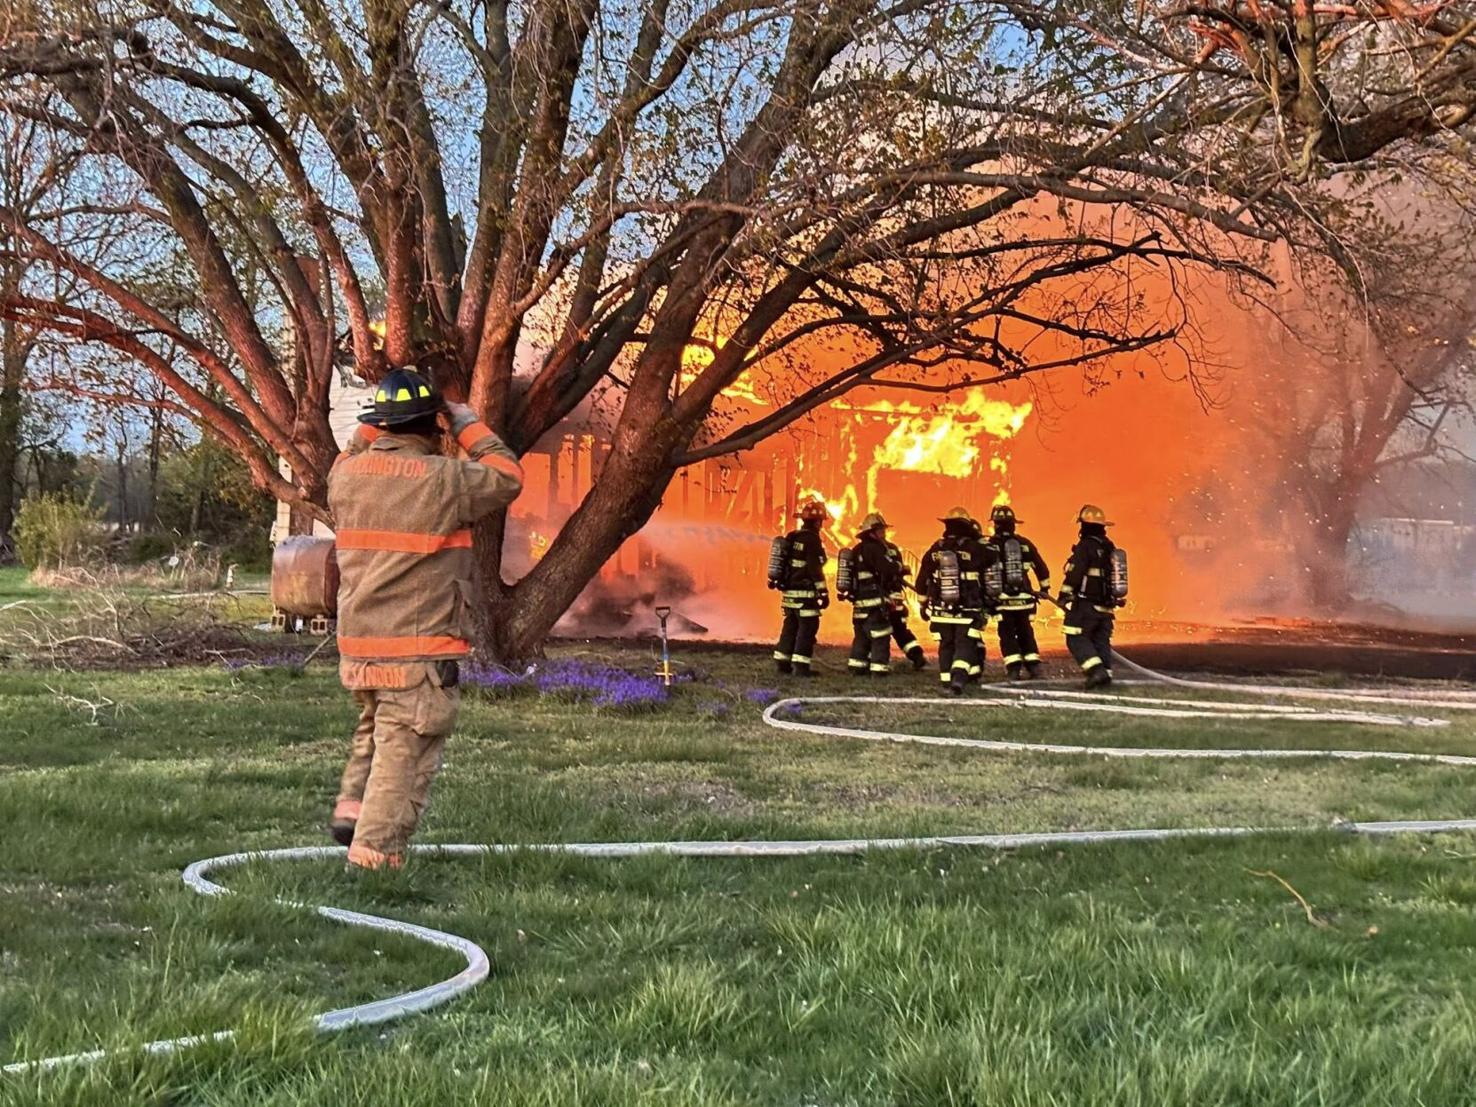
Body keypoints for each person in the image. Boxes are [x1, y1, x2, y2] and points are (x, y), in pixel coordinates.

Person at [327, 367, 524, 870]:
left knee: (374, 726)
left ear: (381, 426)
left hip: (359, 645)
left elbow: (355, 447)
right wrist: (465, 422)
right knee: (406, 749)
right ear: (430, 427)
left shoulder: (344, 475)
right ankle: (373, 862)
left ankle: (351, 811)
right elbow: (507, 476)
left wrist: (381, 418)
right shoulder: (444, 480)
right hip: (415, 651)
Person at [915, 508, 996, 695]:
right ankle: (958, 679)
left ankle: (945, 680)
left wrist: (922, 603)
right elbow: (992, 556)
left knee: (946, 644)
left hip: (940, 609)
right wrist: (979, 538)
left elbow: (922, 579)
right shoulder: (974, 547)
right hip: (967, 609)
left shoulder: (936, 548)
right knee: (965, 643)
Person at [985, 504, 1052, 680]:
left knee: (1007, 634)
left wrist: (984, 598)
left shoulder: (988, 546)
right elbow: (1042, 568)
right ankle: (1034, 667)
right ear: (1013, 524)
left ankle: (1014, 669)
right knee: (1025, 631)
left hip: (1001, 601)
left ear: (995, 524)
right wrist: (1044, 588)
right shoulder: (1025, 544)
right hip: (1024, 599)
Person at [1059, 503, 1121, 689]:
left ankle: (1096, 672)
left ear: (1084, 526)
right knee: (1100, 640)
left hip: (1086, 605)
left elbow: (1075, 573)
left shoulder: (1085, 546)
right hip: (1106, 606)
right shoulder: (1109, 546)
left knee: (1075, 636)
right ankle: (1106, 676)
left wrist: (1064, 594)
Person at [772, 498, 829, 677]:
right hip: (805, 595)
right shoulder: (812, 540)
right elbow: (814, 568)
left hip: (789, 594)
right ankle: (801, 666)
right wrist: (823, 591)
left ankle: (783, 662)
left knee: (790, 628)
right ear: (818, 522)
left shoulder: (792, 537)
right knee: (807, 629)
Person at [842, 513, 900, 677]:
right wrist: (899, 567)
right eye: (881, 530)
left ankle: (857, 666)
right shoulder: (875, 548)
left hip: (859, 602)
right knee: (881, 634)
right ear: (872, 532)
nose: (884, 533)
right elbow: (887, 569)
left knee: (862, 636)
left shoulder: (857, 549)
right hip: (874, 601)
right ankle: (879, 669)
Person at [884, 537, 928, 670]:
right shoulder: (892, 549)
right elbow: (900, 569)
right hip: (896, 600)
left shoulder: (869, 550)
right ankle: (917, 656)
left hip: (881, 600)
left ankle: (875, 663)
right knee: (901, 631)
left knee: (877, 633)